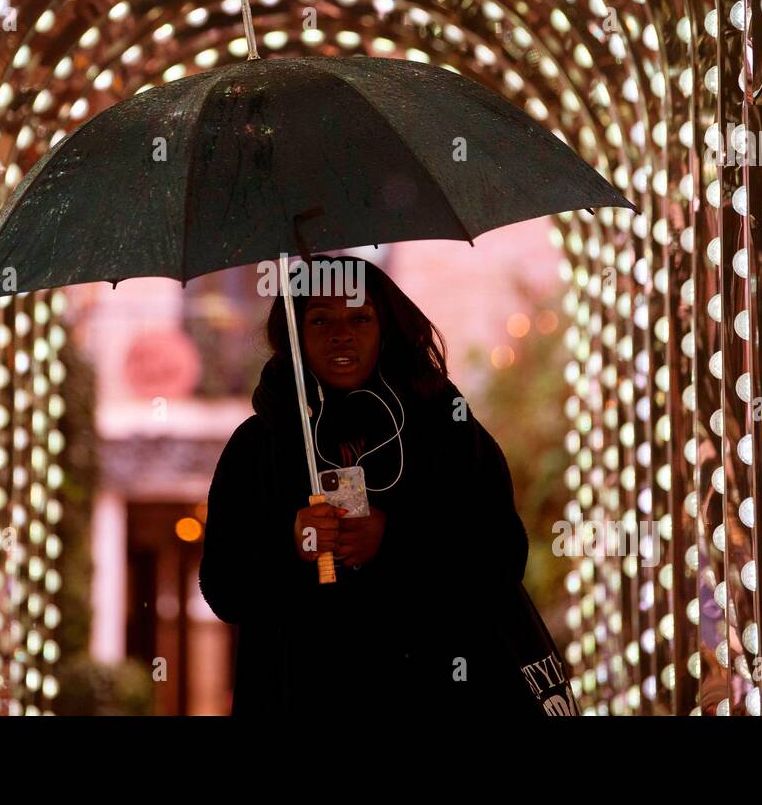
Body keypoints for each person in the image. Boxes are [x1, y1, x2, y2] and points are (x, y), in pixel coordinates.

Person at [198, 254, 538, 717]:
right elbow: (224, 588)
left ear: (386, 328)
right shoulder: (257, 447)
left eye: (360, 317)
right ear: (293, 334)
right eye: (320, 319)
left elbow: (501, 557)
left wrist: (395, 540)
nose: (342, 333)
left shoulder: (445, 428)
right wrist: (288, 545)